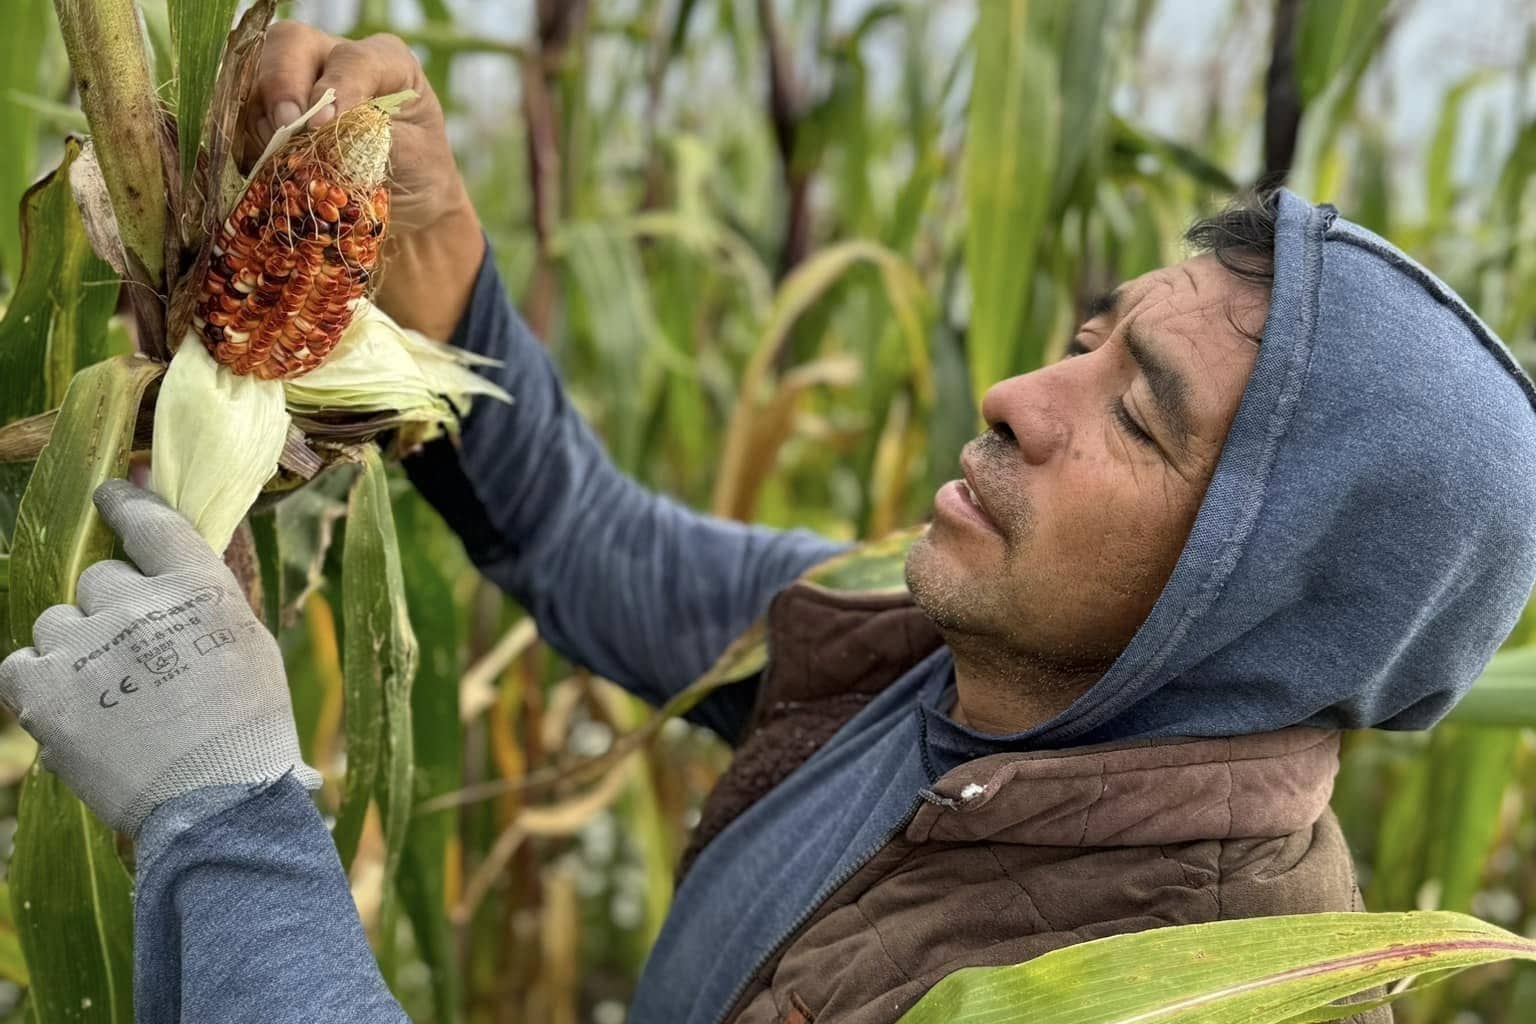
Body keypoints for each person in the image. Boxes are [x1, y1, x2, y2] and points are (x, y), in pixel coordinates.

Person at [4, 23, 1534, 1024]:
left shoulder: (1154, 993)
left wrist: (234, 817)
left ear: (1251, 600)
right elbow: (608, 552)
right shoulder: (949, 653)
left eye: (1138, 414)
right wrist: (444, 281)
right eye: (1085, 336)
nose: (1013, 393)